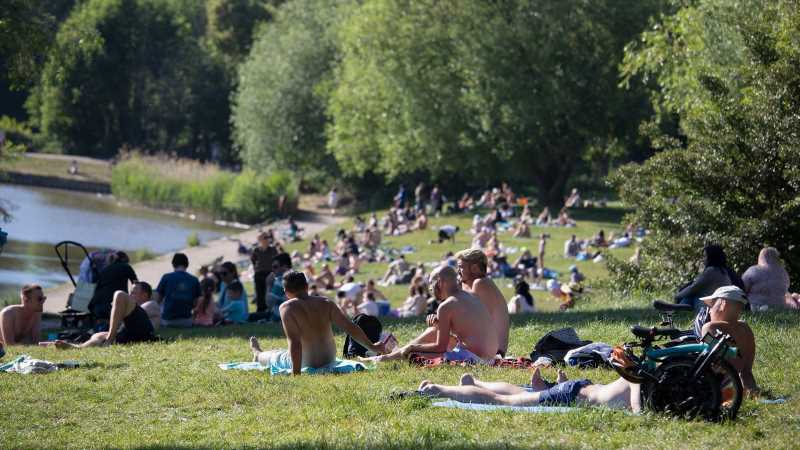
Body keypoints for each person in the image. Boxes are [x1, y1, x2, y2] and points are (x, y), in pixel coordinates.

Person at [247, 271, 387, 375]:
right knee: (282, 353)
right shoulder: (326, 303)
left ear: (286, 292)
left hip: (305, 362)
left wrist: (296, 374)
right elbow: (350, 327)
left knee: (275, 356)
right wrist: (372, 347)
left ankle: (257, 353)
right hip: (328, 359)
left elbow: (295, 343)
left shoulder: (286, 308)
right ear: (307, 286)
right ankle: (259, 353)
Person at [366, 265, 499, 363]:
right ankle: (389, 356)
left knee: (414, 349)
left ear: (440, 282)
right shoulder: (471, 296)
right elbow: (469, 330)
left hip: (475, 359)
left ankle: (385, 358)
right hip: (489, 356)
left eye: (431, 283)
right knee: (432, 331)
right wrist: (439, 326)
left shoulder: (446, 306)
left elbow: (440, 348)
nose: (430, 288)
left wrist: (412, 347)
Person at [417, 369, 641, 412]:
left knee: (519, 395)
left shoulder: (642, 378)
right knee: (504, 402)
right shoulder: (639, 381)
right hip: (572, 394)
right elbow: (638, 410)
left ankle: (475, 382)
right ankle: (439, 389)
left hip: (579, 389)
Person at [44, 283, 158, 348]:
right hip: (129, 335)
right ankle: (65, 344)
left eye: (133, 292)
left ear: (145, 295)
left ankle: (109, 339)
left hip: (142, 335)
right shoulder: (134, 309)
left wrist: (119, 307)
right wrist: (117, 309)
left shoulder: (151, 304)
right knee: (94, 335)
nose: (130, 295)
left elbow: (136, 315)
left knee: (119, 294)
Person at [698, 286, 759, 395]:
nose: (710, 311)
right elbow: (746, 369)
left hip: (718, 388)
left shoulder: (710, 327)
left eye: (712, 305)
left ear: (722, 304)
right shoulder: (745, 328)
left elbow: (705, 352)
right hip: (740, 386)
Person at [456, 249, 509, 356]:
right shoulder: (474, 285)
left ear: (474, 268)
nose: (458, 271)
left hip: (492, 353)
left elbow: (471, 322)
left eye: (461, 267)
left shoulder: (481, 283)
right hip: (484, 349)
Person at [675, 245, 743, 310]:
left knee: (690, 296)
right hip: (723, 305)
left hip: (714, 307)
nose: (703, 259)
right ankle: (679, 312)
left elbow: (693, 288)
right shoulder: (723, 271)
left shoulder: (711, 271)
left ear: (711, 257)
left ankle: (678, 313)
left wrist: (677, 295)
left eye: (705, 256)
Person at [154, 253, 202, 328]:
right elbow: (198, 301)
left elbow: (157, 299)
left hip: (167, 321)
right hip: (187, 321)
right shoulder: (194, 280)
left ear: (173, 264)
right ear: (187, 264)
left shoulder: (166, 277)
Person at [88, 251, 138, 321]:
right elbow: (136, 284)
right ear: (124, 260)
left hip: (96, 307)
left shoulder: (104, 270)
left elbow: (95, 284)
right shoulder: (125, 267)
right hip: (113, 306)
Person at [251, 232, 278, 313]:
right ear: (259, 240)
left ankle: (269, 309)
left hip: (270, 273)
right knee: (260, 293)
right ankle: (260, 310)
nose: (267, 239)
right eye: (265, 237)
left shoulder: (273, 249)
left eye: (267, 237)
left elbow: (277, 261)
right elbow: (253, 260)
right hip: (259, 274)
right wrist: (256, 270)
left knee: (269, 292)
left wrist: (274, 273)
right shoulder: (256, 250)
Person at [265, 253, 293, 320]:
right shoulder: (297, 276)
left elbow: (269, 302)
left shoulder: (281, 281)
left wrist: (268, 285)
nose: (273, 270)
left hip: (282, 317)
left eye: (275, 267)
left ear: (284, 266)